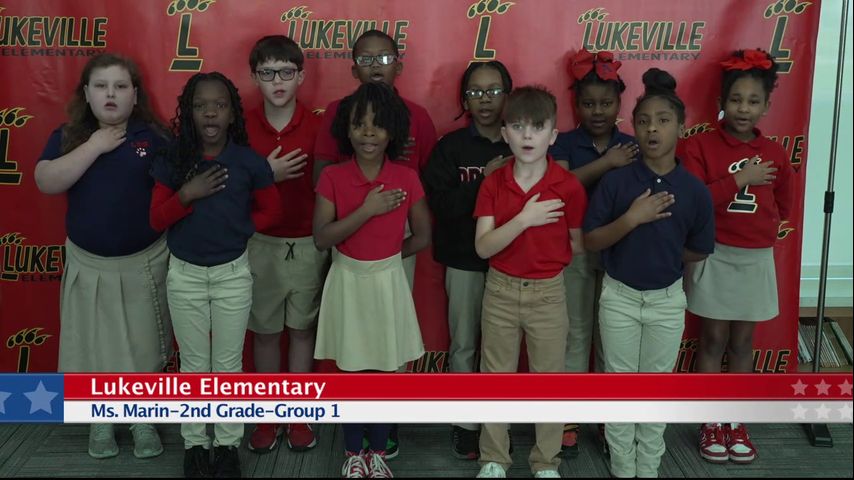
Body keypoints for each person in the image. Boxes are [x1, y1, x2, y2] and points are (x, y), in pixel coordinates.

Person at [34, 53, 172, 461]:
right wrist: (95, 145)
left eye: (120, 86)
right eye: (101, 85)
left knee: (144, 345)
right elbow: (45, 180)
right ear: (87, 95)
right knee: (93, 346)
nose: (110, 93)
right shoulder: (68, 136)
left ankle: (142, 418)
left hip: (145, 260)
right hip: (88, 263)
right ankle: (101, 419)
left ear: (135, 95)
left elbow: (182, 189)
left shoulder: (155, 138)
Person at [582, 68, 715, 478]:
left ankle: (650, 467)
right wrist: (632, 219)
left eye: (662, 120)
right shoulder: (617, 182)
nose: (652, 129)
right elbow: (591, 241)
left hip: (667, 300)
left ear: (681, 126)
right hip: (619, 297)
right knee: (620, 388)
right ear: (633, 127)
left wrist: (664, 259)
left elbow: (697, 248)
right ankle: (623, 468)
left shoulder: (694, 190)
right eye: (643, 121)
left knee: (657, 387)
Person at [149, 72, 280, 478]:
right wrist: (187, 194)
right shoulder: (174, 159)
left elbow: (271, 209)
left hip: (232, 275)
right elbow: (156, 219)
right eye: (201, 104)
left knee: (226, 365)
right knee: (193, 365)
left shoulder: (247, 160)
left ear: (231, 112)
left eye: (219, 104)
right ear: (189, 112)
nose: (210, 111)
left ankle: (225, 445)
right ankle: (194, 445)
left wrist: (239, 230)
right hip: (184, 275)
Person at [680, 49, 793, 465]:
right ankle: (710, 418)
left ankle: (735, 418)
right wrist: (739, 179)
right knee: (711, 339)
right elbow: (695, 202)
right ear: (721, 102)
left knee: (743, 342)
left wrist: (760, 230)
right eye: (736, 99)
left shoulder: (778, 153)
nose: (743, 109)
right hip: (714, 253)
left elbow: (785, 205)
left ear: (766, 104)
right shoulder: (700, 146)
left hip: (755, 257)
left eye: (753, 101)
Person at [313, 82, 431, 478]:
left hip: (387, 281)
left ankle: (377, 452)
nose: (368, 133)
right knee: (349, 369)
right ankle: (352, 453)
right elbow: (321, 237)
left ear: (392, 131)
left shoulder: (407, 177)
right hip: (347, 279)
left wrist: (389, 258)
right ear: (346, 129)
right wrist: (367, 209)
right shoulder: (332, 176)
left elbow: (424, 235)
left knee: (384, 369)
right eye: (359, 124)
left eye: (377, 126)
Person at [473, 86, 587, 479]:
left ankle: (545, 461)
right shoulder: (494, 183)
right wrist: (524, 218)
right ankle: (493, 458)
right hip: (500, 289)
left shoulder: (568, 186)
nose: (526, 136)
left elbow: (575, 243)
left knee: (550, 380)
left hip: (548, 293)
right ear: (504, 132)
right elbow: (484, 247)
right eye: (517, 126)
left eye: (537, 127)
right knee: (496, 377)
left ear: (553, 135)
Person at [421, 60, 513, 460]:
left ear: (508, 95)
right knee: (464, 345)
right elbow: (440, 204)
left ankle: (496, 423)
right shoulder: (450, 147)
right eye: (476, 92)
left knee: (503, 349)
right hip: (463, 260)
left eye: (494, 90)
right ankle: (465, 422)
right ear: (464, 100)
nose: (485, 99)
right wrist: (484, 181)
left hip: (514, 264)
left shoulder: (522, 142)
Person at [548, 49, 638, 457]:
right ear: (575, 105)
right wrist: (607, 163)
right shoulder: (565, 142)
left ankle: (606, 415)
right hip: (576, 248)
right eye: (588, 103)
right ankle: (567, 414)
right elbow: (561, 186)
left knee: (611, 338)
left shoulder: (632, 145)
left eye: (605, 103)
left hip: (623, 249)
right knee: (576, 330)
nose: (597, 110)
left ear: (620, 103)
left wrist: (618, 158)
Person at [244, 34, 327, 455]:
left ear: (301, 76)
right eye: (267, 73)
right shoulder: (241, 126)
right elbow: (228, 186)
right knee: (263, 333)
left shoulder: (317, 126)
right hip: (260, 242)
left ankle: (298, 412)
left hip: (309, 242)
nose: (277, 80)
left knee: (301, 329)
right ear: (254, 78)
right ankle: (265, 414)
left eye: (286, 72)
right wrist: (264, 173)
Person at [313, 29, 437, 294]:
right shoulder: (337, 111)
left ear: (398, 65)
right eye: (366, 60)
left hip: (399, 224)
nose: (375, 66)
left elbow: (430, 178)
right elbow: (322, 170)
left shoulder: (418, 115)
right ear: (355, 70)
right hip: (345, 223)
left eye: (383, 58)